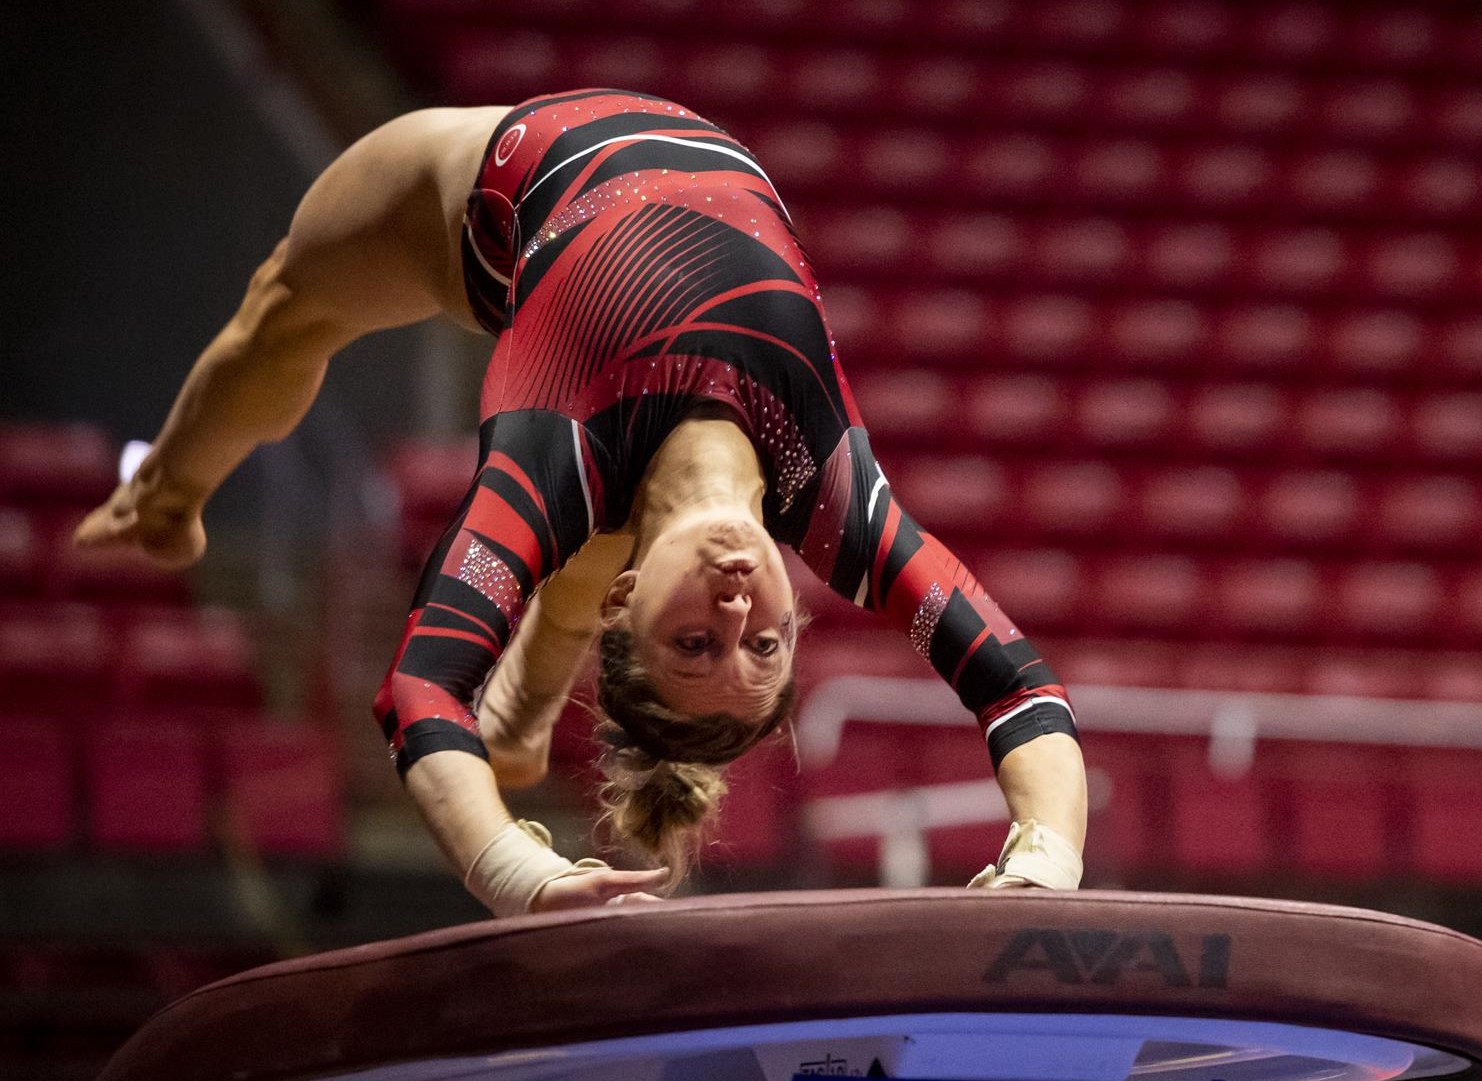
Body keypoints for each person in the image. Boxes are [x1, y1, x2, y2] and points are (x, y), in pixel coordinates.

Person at [74, 89, 1088, 916]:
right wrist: (1049, 852)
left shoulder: (548, 453)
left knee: (284, 313)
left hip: (488, 200)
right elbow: (1022, 689)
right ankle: (520, 702)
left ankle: (167, 491)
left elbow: (421, 695)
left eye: (695, 646)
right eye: (764, 649)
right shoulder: (835, 499)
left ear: (629, 608)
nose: (737, 613)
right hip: (650, 214)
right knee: (626, 512)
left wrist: (522, 875)